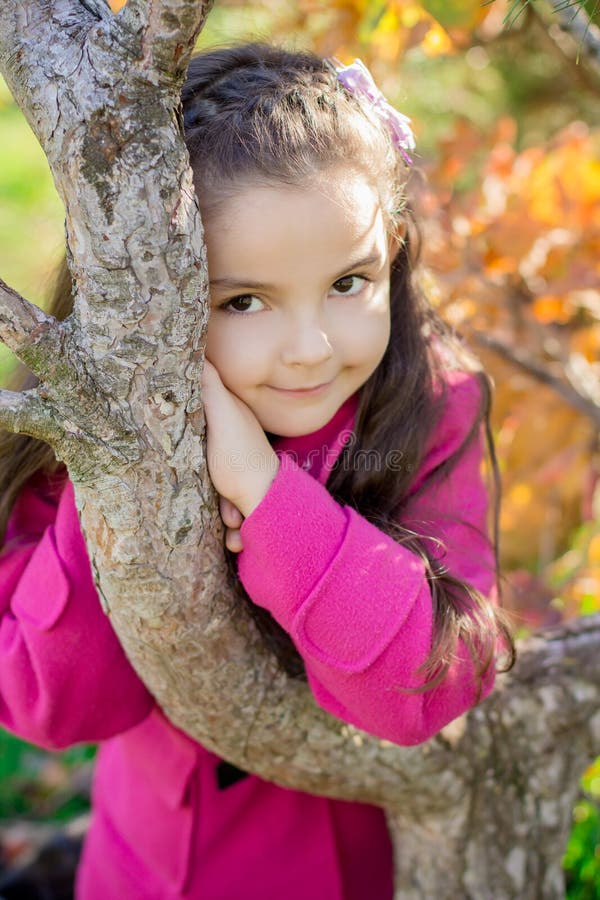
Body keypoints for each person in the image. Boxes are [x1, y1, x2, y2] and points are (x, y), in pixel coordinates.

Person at [0, 43, 514, 900]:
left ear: (391, 250)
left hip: (333, 864)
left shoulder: (430, 405)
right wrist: (120, 468)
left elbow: (428, 689)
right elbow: (56, 706)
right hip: (144, 858)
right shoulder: (83, 429)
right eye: (243, 301)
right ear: (150, 297)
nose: (310, 351)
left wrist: (270, 498)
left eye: (350, 282)